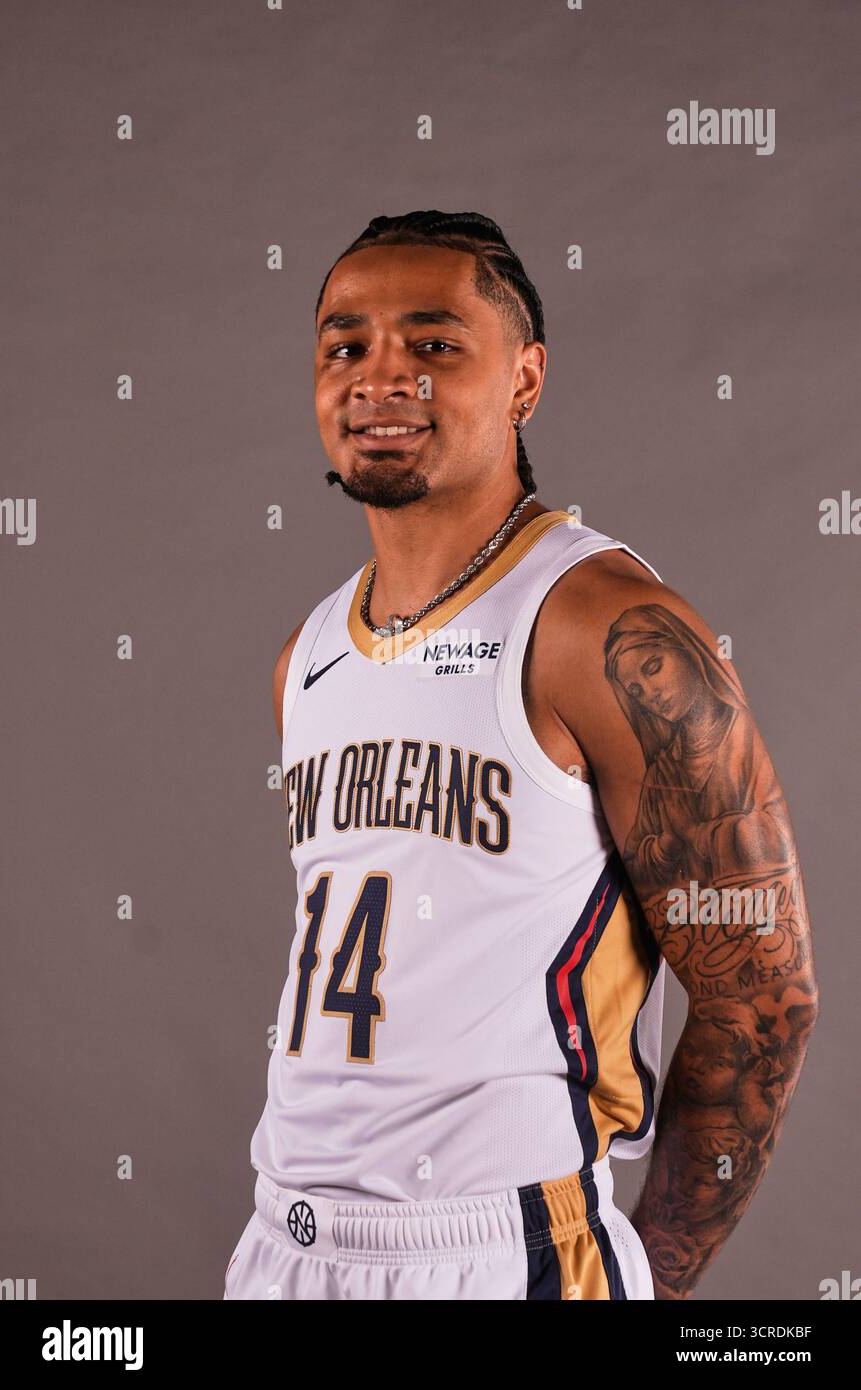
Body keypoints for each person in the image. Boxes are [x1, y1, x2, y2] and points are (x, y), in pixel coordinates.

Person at [223, 211, 818, 1301]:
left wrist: (659, 1279)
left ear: (524, 378)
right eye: (344, 345)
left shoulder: (605, 628)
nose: (379, 375)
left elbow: (761, 999)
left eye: (433, 343)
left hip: (500, 1251)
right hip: (281, 1243)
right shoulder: (305, 656)